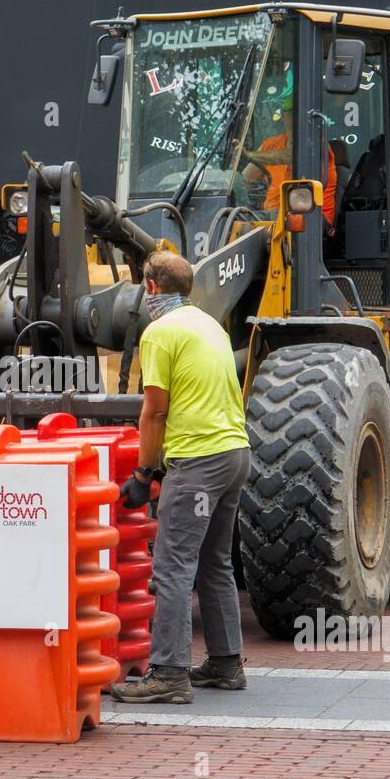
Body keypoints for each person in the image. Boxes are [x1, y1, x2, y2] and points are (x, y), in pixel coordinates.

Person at [111, 252, 251, 705]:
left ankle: (169, 673)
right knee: (216, 562)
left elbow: (154, 411)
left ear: (151, 287)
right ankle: (227, 665)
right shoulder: (210, 325)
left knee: (172, 566)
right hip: (235, 454)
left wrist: (143, 473)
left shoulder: (160, 332)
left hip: (198, 463)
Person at [239, 63, 337, 225]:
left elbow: (292, 155)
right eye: (291, 114)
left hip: (312, 218)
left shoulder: (318, 146)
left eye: (298, 115)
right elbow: (247, 179)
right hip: (271, 217)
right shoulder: (271, 144)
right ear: (284, 116)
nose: (295, 120)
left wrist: (250, 155)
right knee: (237, 218)